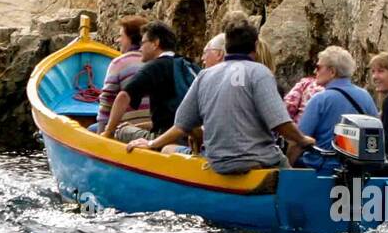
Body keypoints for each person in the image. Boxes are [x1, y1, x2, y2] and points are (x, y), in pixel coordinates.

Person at [129, 17, 314, 172]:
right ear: (255, 45)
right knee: (288, 169)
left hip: (217, 162)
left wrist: (152, 144)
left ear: (227, 46)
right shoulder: (259, 73)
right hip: (258, 160)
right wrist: (302, 139)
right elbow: (280, 123)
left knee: (170, 149)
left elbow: (182, 125)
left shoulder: (205, 75)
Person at [102, 21, 194, 143]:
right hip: (189, 138)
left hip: (163, 139)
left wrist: (108, 131)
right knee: (130, 127)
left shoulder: (154, 67)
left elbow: (123, 96)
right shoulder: (188, 65)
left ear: (155, 43)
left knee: (120, 131)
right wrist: (139, 126)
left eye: (143, 43)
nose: (140, 48)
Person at [296, 45, 378, 172]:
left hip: (323, 171)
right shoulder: (365, 96)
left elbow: (298, 141)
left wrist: (287, 166)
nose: (314, 72)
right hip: (358, 172)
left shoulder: (319, 100)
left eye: (318, 67)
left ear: (332, 72)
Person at [90, 14, 149, 132]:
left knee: (91, 130)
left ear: (130, 38)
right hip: (154, 127)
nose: (118, 40)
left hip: (127, 129)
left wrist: (102, 135)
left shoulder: (119, 63)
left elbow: (107, 102)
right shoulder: (157, 62)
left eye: (121, 36)